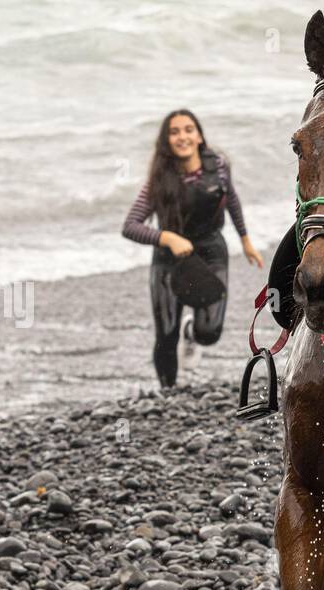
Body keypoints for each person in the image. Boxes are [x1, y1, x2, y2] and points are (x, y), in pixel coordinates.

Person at [122, 109, 264, 390]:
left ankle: (192, 333)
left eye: (188, 129)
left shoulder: (219, 166)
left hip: (211, 252)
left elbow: (231, 199)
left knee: (209, 333)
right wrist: (167, 238)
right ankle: (168, 391)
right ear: (166, 141)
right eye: (174, 132)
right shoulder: (159, 180)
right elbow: (130, 225)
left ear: (199, 135)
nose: (182, 136)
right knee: (166, 334)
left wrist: (245, 239)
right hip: (169, 259)